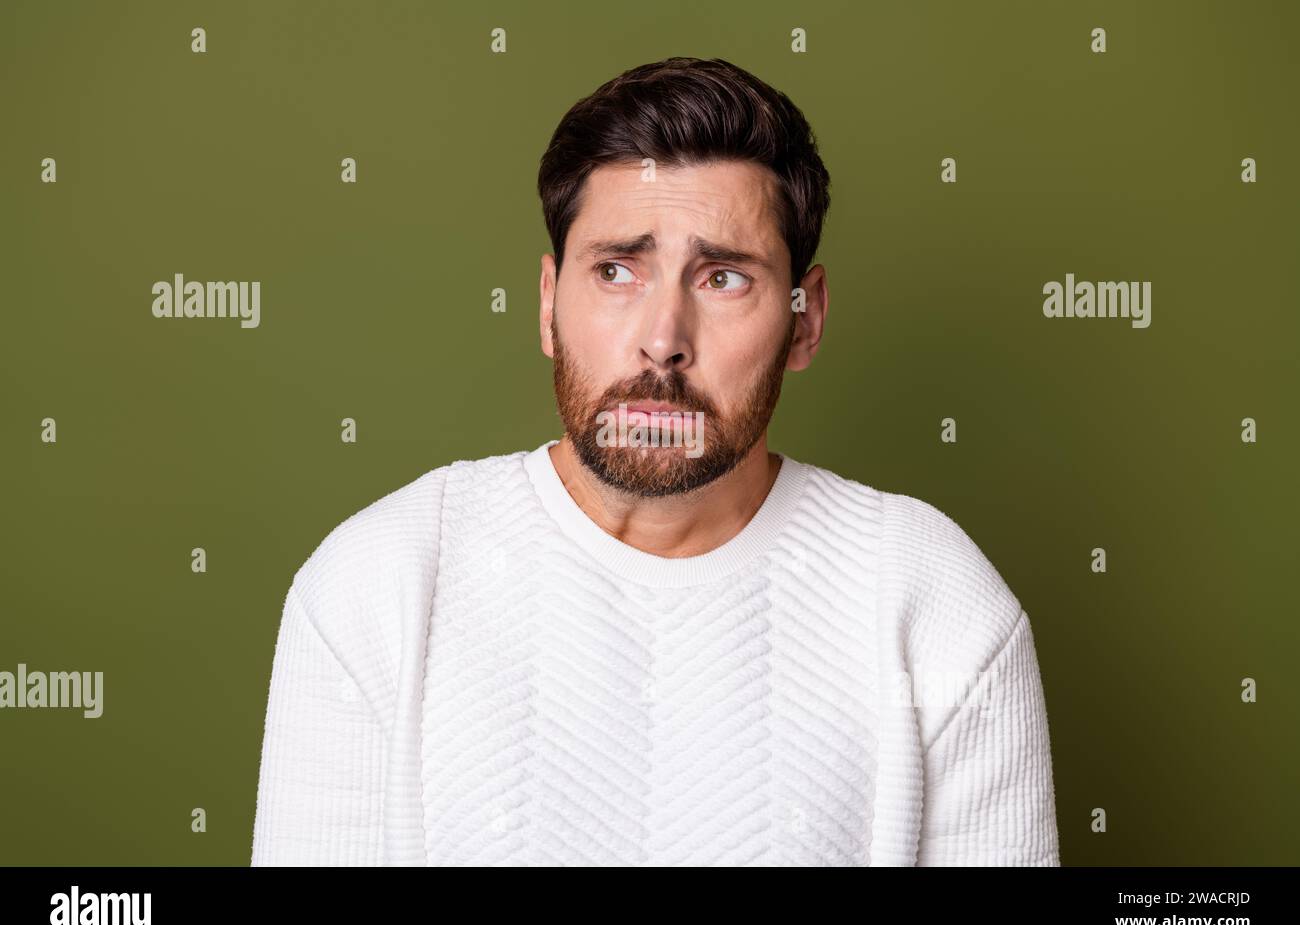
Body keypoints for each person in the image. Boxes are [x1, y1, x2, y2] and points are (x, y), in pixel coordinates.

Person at [251, 56, 1060, 866]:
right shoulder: (378, 585)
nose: (663, 339)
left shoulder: (934, 604)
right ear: (547, 303)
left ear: (804, 322)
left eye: (722, 277)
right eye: (615, 270)